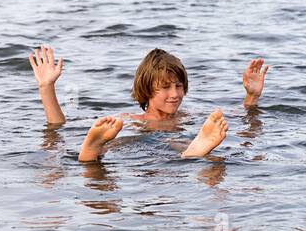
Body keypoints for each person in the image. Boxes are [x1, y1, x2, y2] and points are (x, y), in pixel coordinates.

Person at [28, 45, 268, 161]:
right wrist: (47, 88)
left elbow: (241, 117)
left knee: (214, 159)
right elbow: (57, 127)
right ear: (146, 90)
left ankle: (91, 153)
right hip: (138, 141)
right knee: (110, 147)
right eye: (165, 88)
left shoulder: (189, 116)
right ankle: (93, 148)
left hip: (160, 149)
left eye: (179, 86)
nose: (174, 94)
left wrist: (252, 97)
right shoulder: (129, 121)